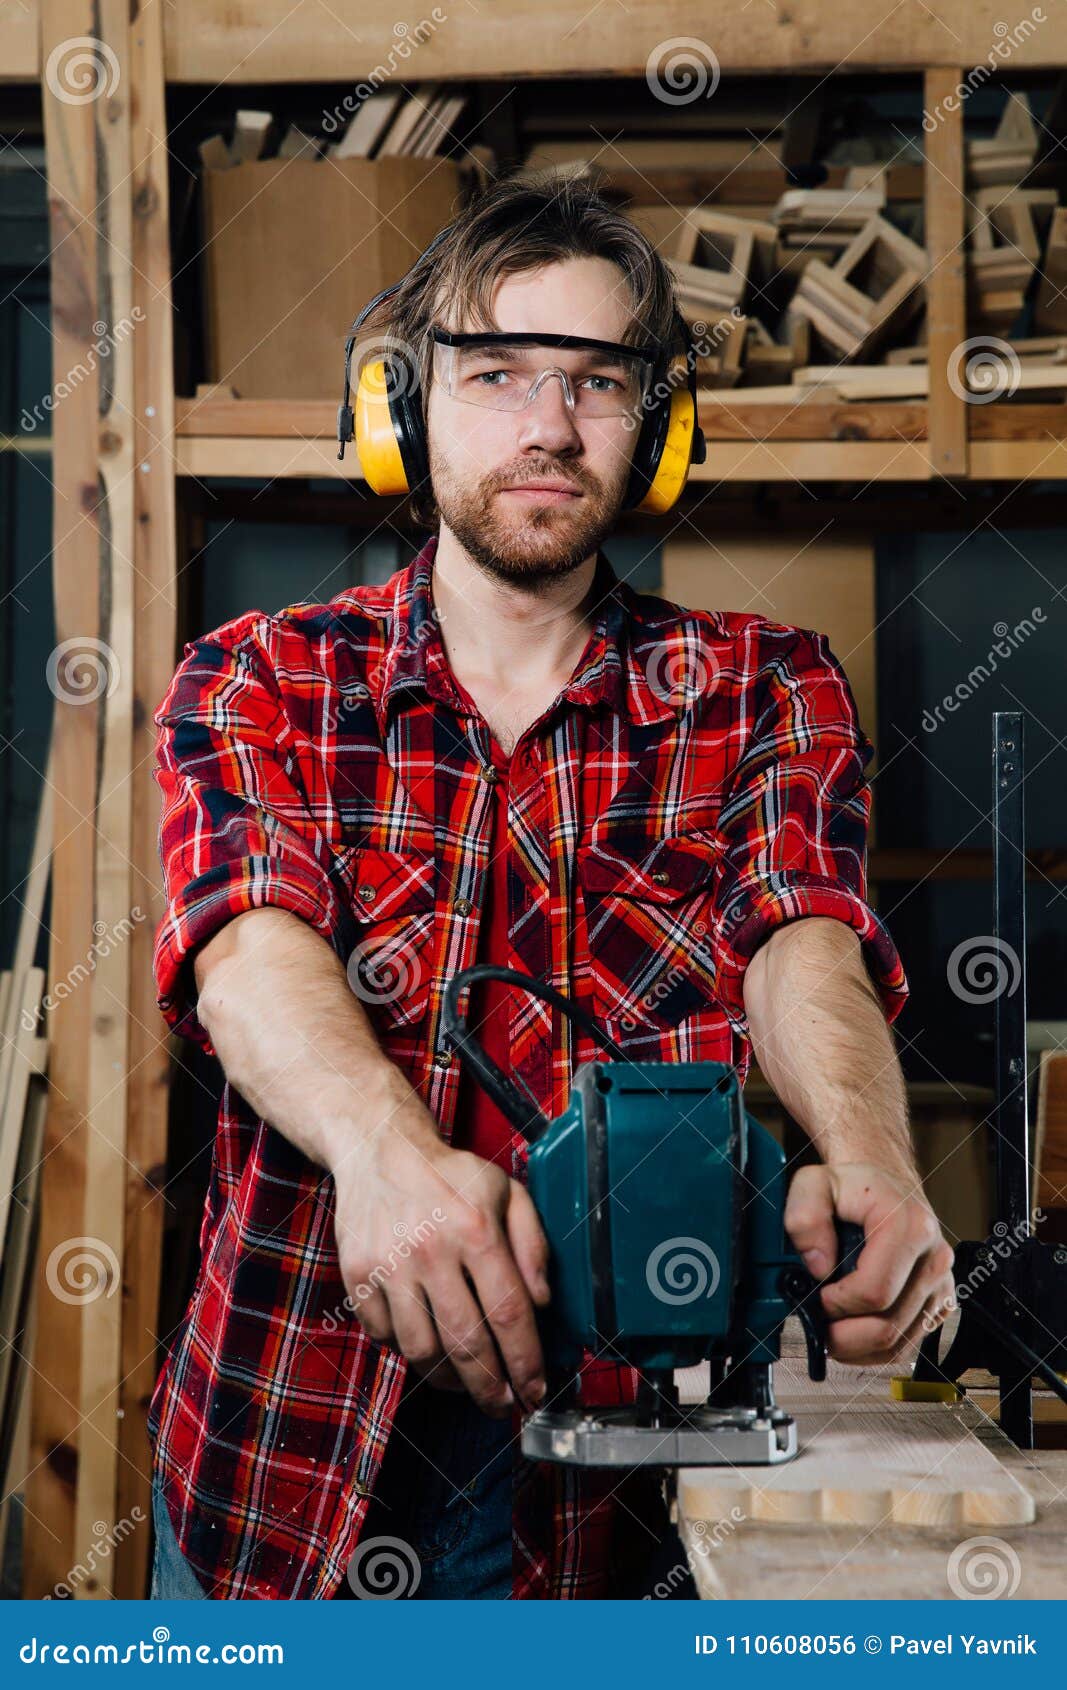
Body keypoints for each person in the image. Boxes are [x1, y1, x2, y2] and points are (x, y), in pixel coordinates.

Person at [146, 168, 954, 1601]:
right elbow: (245, 946)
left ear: (659, 425)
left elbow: (804, 943)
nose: (547, 425)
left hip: (612, 1507)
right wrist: (385, 1152)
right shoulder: (258, 676)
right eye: (498, 371)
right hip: (286, 1456)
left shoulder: (765, 689)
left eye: (597, 381)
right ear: (404, 413)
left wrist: (876, 1159)